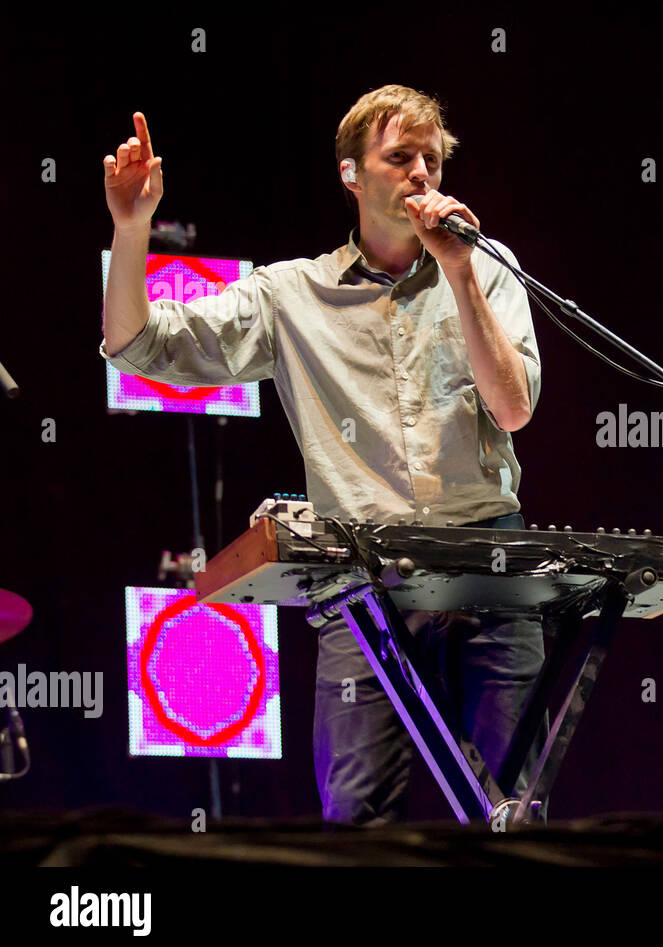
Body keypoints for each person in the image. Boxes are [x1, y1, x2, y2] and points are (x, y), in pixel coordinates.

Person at [100, 85, 548, 825]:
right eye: (398, 157)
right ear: (351, 174)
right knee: (357, 817)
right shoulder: (291, 293)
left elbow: (514, 407)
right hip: (361, 571)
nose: (420, 175)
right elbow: (136, 345)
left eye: (431, 160)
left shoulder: (491, 268)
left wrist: (460, 269)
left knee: (515, 813)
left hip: (489, 562)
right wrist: (130, 226)